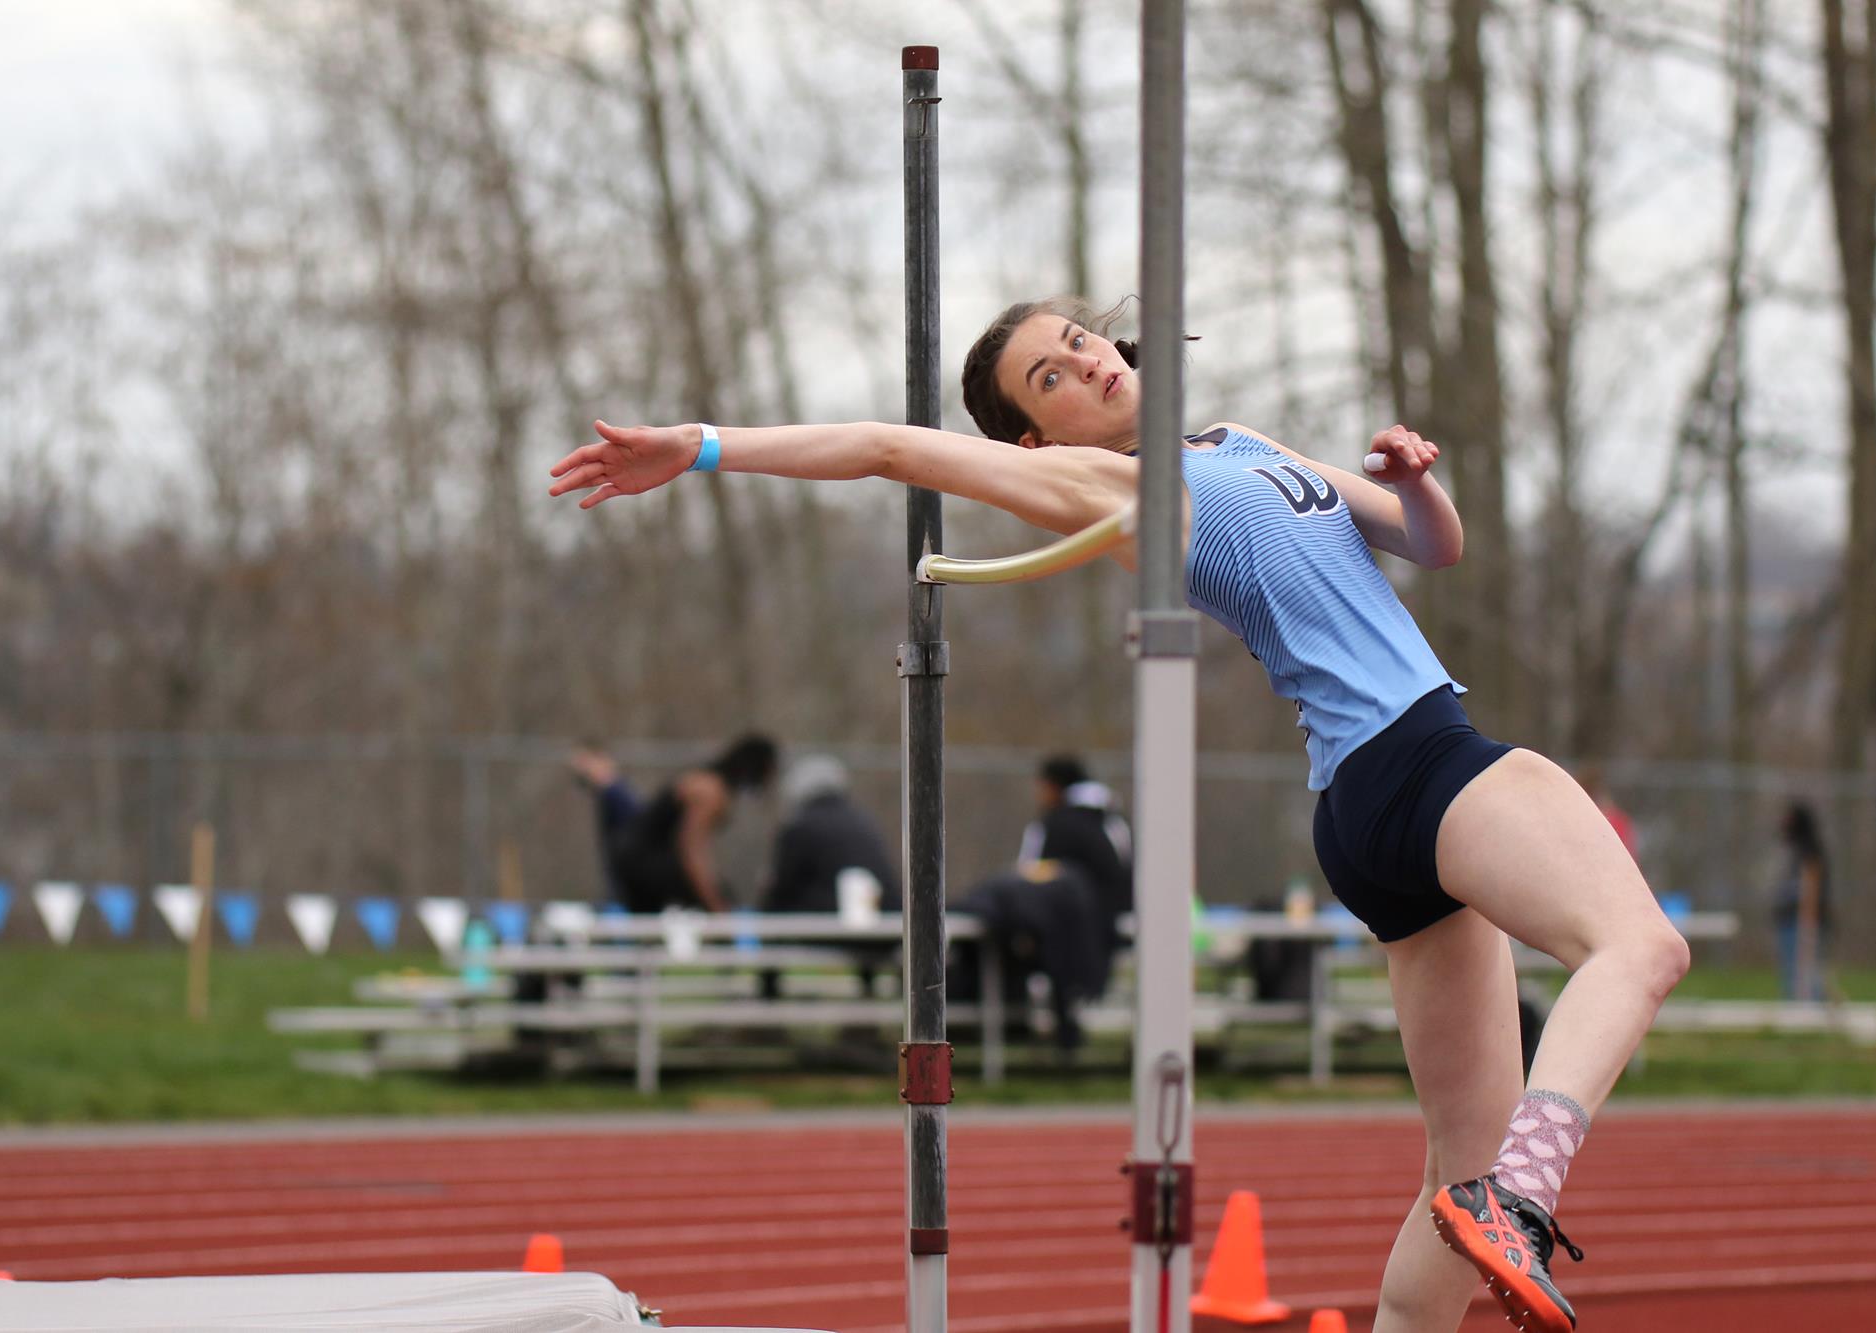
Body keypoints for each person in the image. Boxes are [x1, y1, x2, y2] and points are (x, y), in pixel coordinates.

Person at [548, 296, 1690, 1333]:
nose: (1082, 364)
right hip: (1417, 754)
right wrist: (696, 447)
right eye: (1047, 376)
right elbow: (886, 448)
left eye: (1076, 341)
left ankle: (1490, 1200)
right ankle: (1524, 1200)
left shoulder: (1237, 443)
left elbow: (1424, 540)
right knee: (1639, 944)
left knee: (1455, 1161)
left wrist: (1413, 474)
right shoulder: (1119, 489)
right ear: (1035, 439)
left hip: (1364, 812)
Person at [571, 735, 777, 914]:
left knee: (650, 931)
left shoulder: (706, 782)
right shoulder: (711, 792)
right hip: (642, 862)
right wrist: (715, 903)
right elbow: (690, 849)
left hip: (636, 859)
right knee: (719, 897)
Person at [1017, 754, 1132, 952]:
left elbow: (1028, 872)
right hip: (1110, 927)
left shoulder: (1048, 825)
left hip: (1058, 930)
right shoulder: (1113, 822)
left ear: (1053, 786)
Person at [760, 754, 899, 915]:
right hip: (887, 917)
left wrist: (762, 924)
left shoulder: (801, 827)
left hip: (835, 923)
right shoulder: (864, 820)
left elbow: (780, 889)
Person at [1771, 801, 1830, 1002]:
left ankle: (1807, 1013)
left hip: (1802, 923)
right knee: (1793, 972)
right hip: (1789, 921)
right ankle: (1798, 1009)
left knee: (1805, 973)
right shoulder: (1793, 851)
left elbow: (1811, 892)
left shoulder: (1809, 852)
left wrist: (1807, 925)